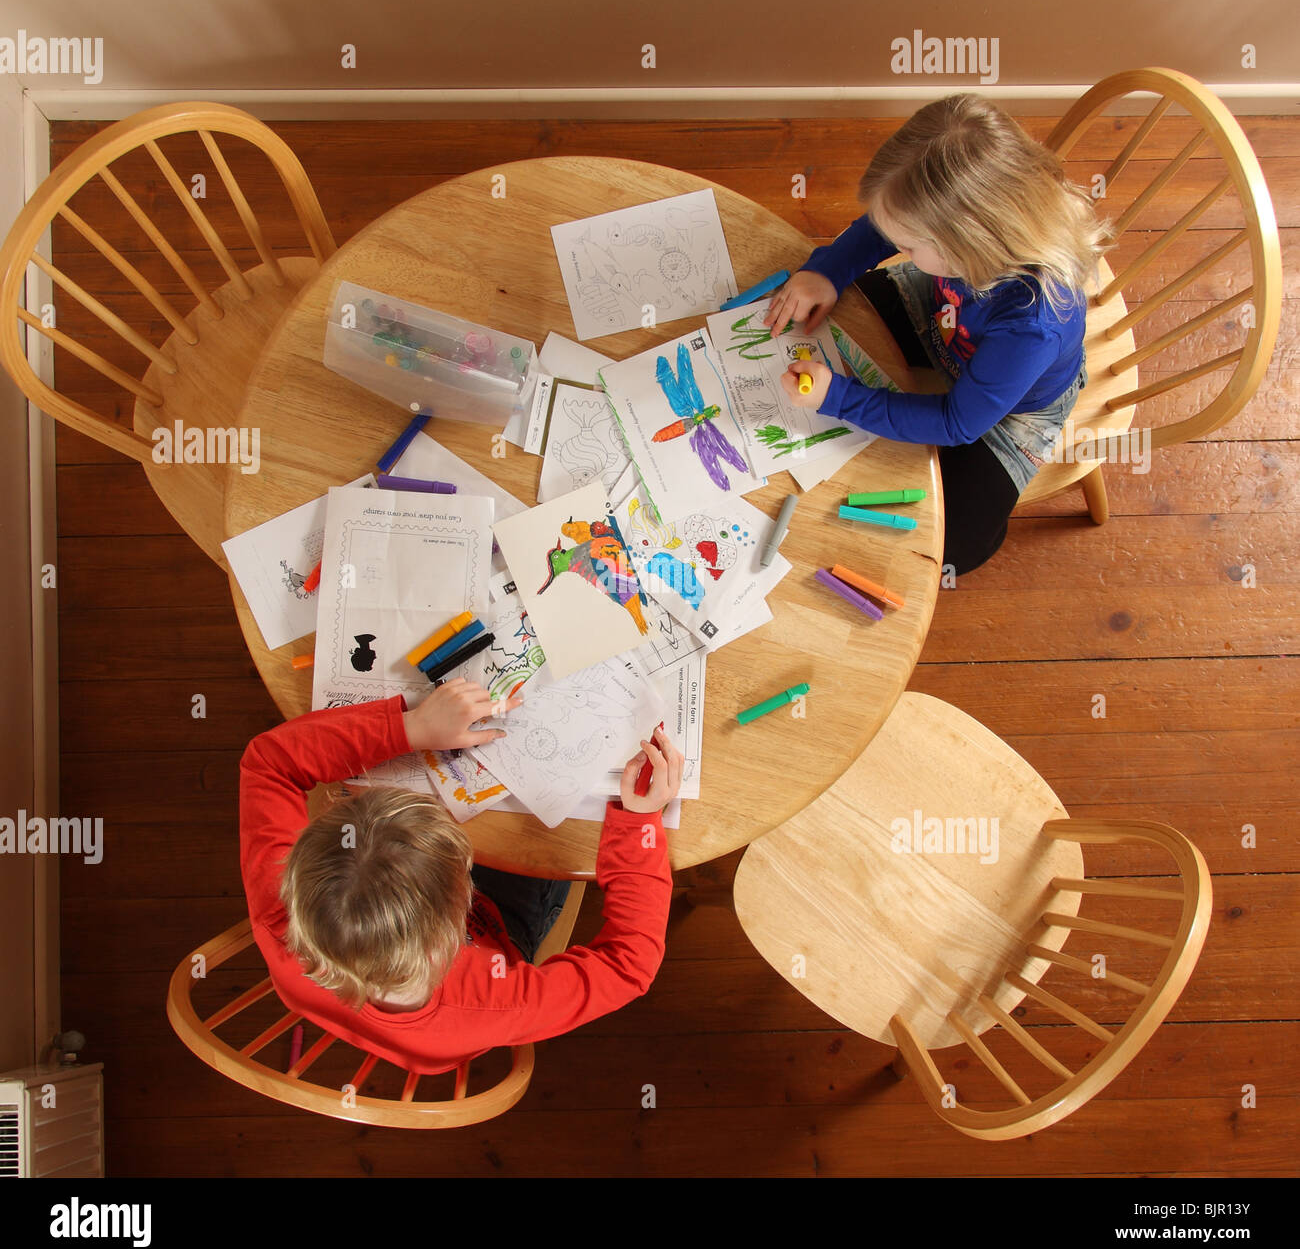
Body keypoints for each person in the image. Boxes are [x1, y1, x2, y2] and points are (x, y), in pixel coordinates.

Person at [239, 677, 683, 1074]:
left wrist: (410, 729)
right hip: (501, 926)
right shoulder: (489, 1002)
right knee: (552, 834)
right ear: (460, 908)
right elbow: (630, 967)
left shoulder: (279, 913)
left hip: (405, 962)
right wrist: (639, 822)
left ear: (297, 872)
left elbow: (269, 762)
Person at [764, 94, 1110, 574]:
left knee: (957, 541)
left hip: (1015, 410)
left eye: (906, 245)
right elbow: (879, 230)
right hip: (943, 315)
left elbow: (956, 423)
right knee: (832, 313)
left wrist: (836, 398)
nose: (896, 246)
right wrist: (828, 271)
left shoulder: (1033, 323)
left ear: (968, 246)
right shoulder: (966, 234)